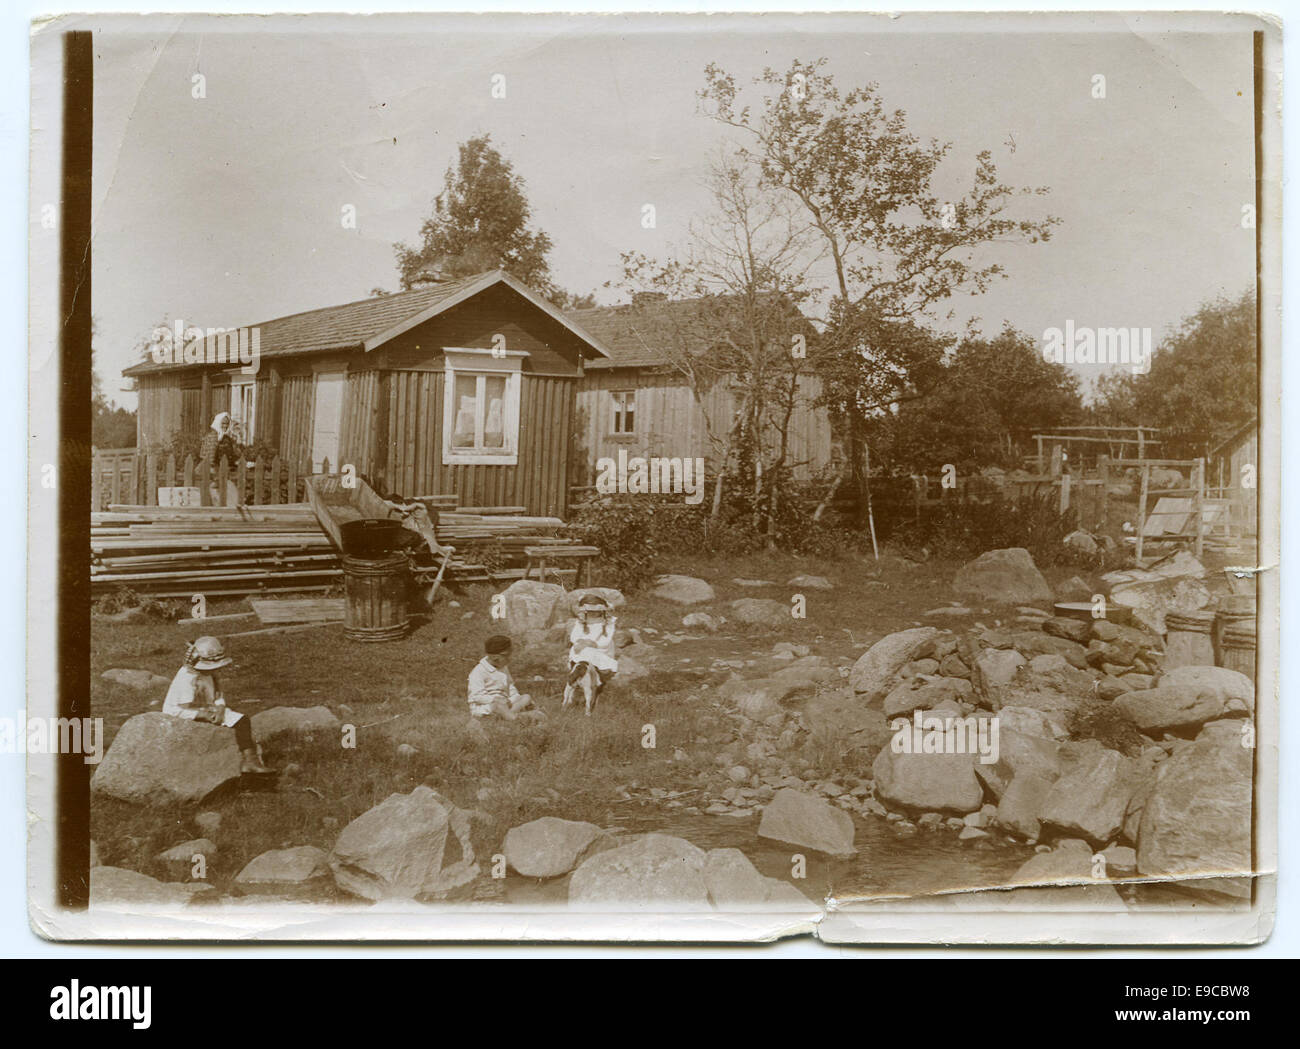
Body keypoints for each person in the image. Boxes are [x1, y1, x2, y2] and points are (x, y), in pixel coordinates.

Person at [162, 636, 274, 773]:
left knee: (243, 720)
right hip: (184, 714)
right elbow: (175, 709)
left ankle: (249, 760)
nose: (214, 670)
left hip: (207, 709)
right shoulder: (187, 678)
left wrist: (220, 707)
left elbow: (217, 694)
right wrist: (202, 714)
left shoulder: (210, 674)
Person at [563, 593, 619, 709]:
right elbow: (574, 637)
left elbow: (606, 641)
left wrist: (591, 643)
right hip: (582, 648)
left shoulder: (608, 623)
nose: (593, 613)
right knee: (580, 651)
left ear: (602, 610)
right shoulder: (582, 622)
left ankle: (594, 680)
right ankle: (578, 679)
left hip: (600, 650)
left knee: (589, 652)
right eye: (590, 611)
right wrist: (581, 642)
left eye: (596, 611)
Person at [467, 635, 541, 721]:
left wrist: (515, 698)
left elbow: (510, 688)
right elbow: (476, 696)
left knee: (526, 697)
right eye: (506, 656)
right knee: (499, 705)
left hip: (506, 703)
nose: (509, 659)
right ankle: (514, 718)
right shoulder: (478, 671)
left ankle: (508, 716)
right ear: (495, 657)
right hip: (488, 705)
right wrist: (495, 699)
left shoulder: (503, 667)